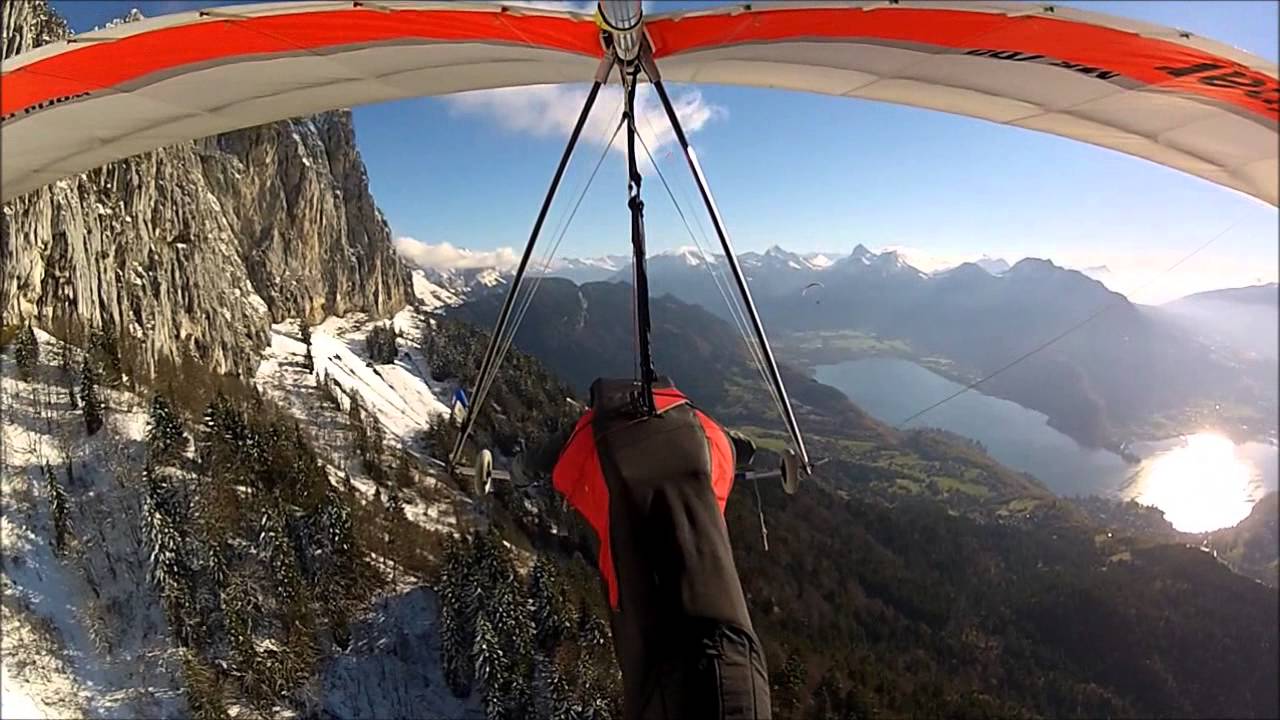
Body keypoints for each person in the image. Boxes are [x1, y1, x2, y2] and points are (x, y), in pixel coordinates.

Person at [552, 377, 771, 720]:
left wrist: (521, 467)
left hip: (662, 659)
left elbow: (554, 465)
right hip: (736, 659)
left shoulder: (591, 438)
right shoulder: (703, 429)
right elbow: (737, 448)